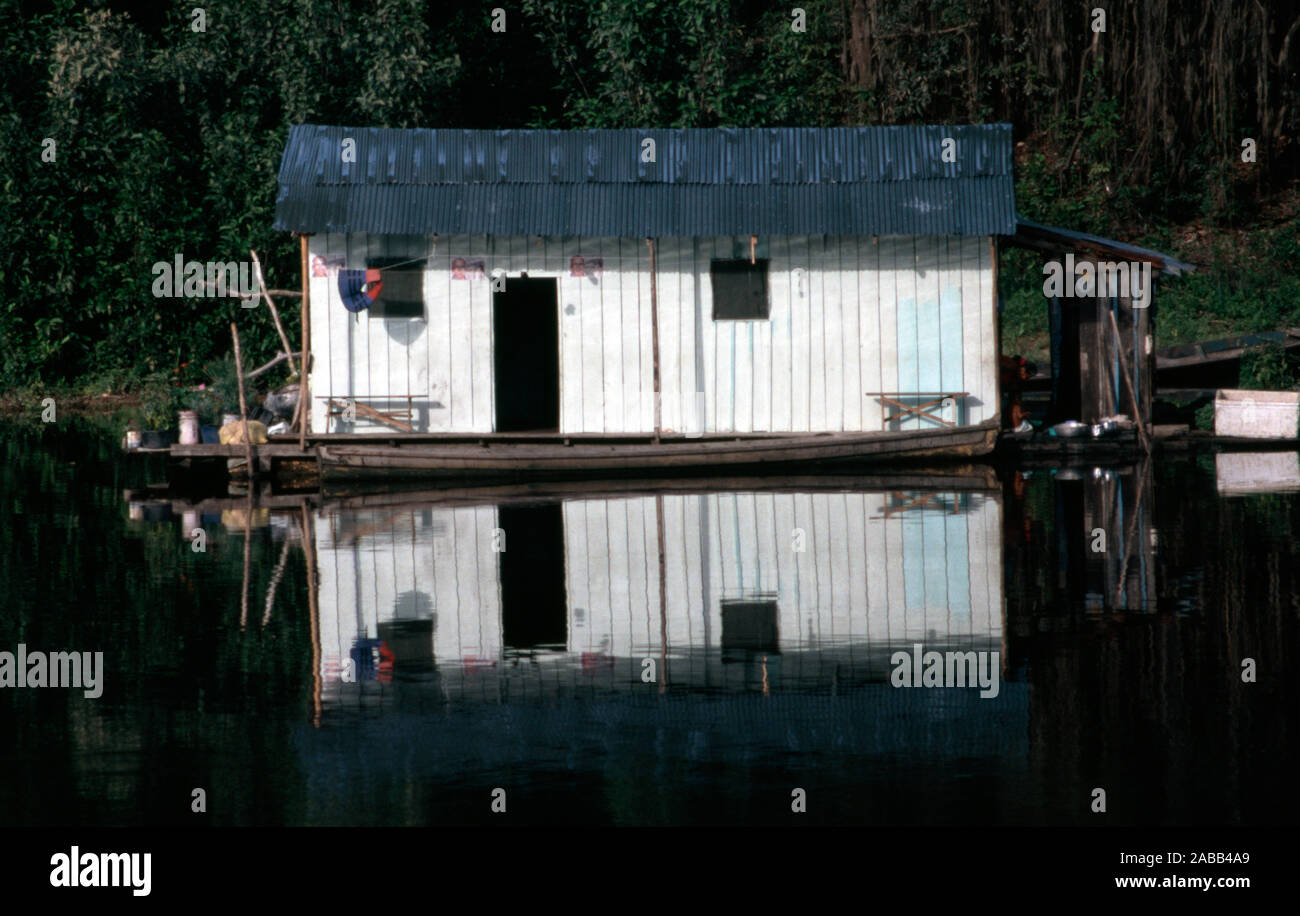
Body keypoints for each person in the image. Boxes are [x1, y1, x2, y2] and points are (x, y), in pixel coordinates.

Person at [1000, 354, 1037, 432]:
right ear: (1023, 370)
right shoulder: (1010, 365)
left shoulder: (1016, 377)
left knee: (1014, 404)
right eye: (1026, 376)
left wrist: (1020, 410)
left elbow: (1015, 395)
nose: (1025, 379)